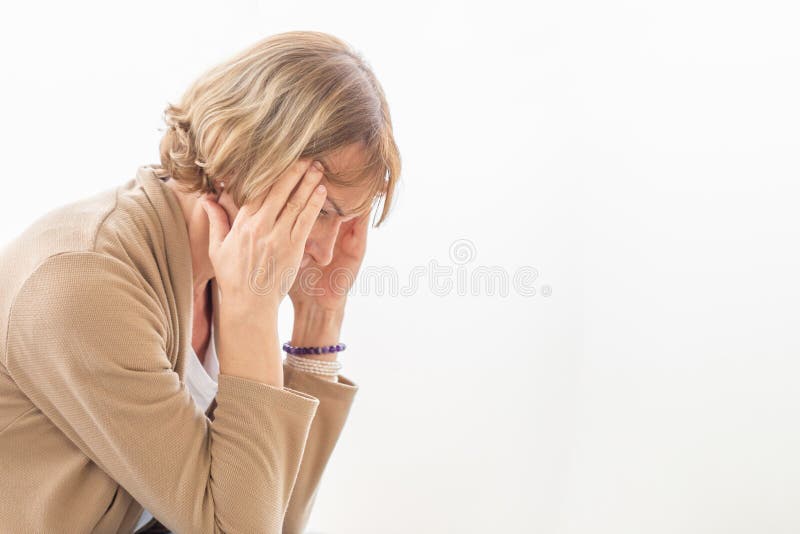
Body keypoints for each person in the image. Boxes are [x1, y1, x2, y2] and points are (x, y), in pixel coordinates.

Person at [0, 30, 400, 533]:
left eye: (347, 223)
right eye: (319, 210)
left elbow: (275, 516)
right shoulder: (85, 280)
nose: (323, 249)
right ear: (243, 158)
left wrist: (320, 316)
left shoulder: (219, 269)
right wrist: (253, 316)